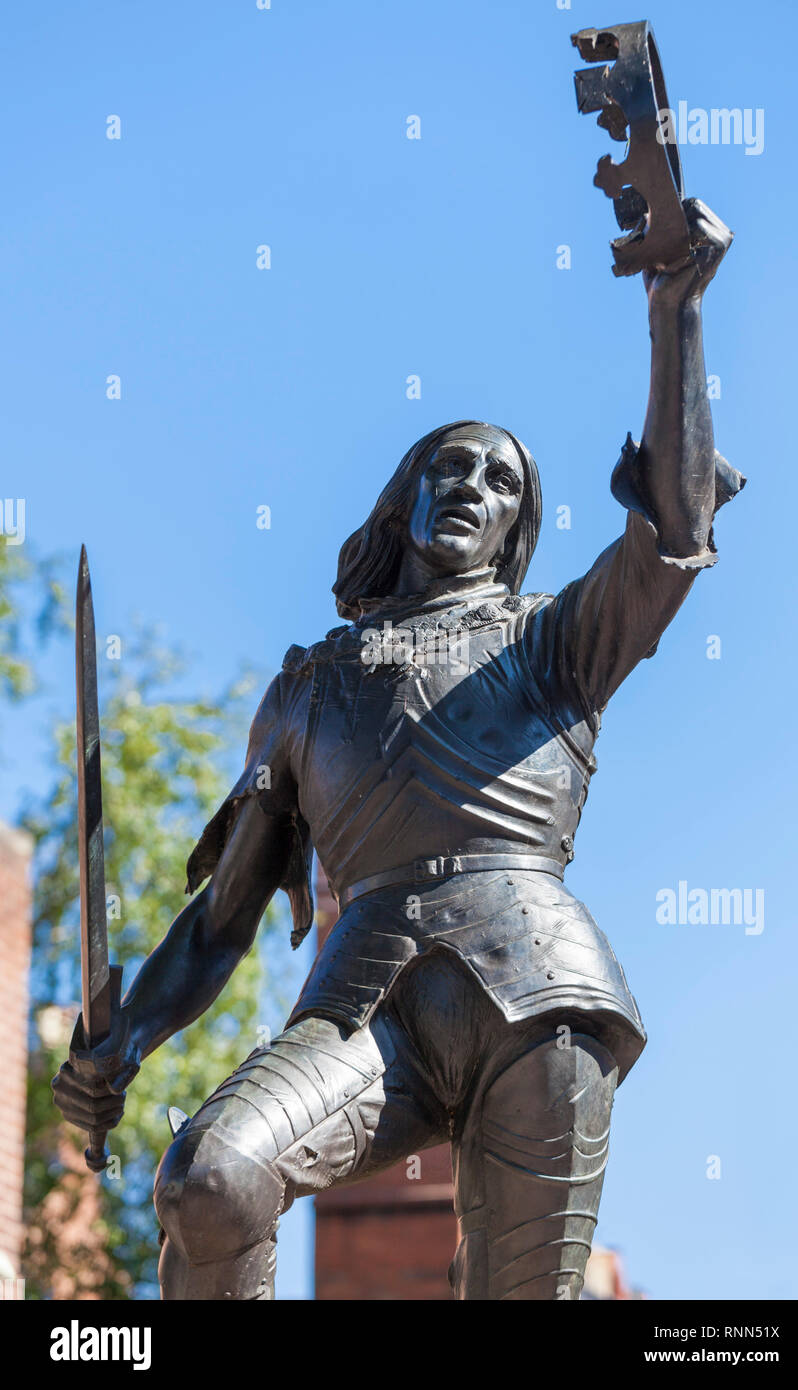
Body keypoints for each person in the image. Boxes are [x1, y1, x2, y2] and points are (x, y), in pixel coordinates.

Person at [53, 199, 743, 1300]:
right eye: (449, 466)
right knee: (211, 1176)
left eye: (500, 480)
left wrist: (676, 316)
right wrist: (121, 1039)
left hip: (540, 990)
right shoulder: (308, 684)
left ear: (516, 532)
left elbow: (670, 532)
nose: (470, 483)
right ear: (407, 496)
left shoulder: (551, 638)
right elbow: (222, 918)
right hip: (361, 1001)